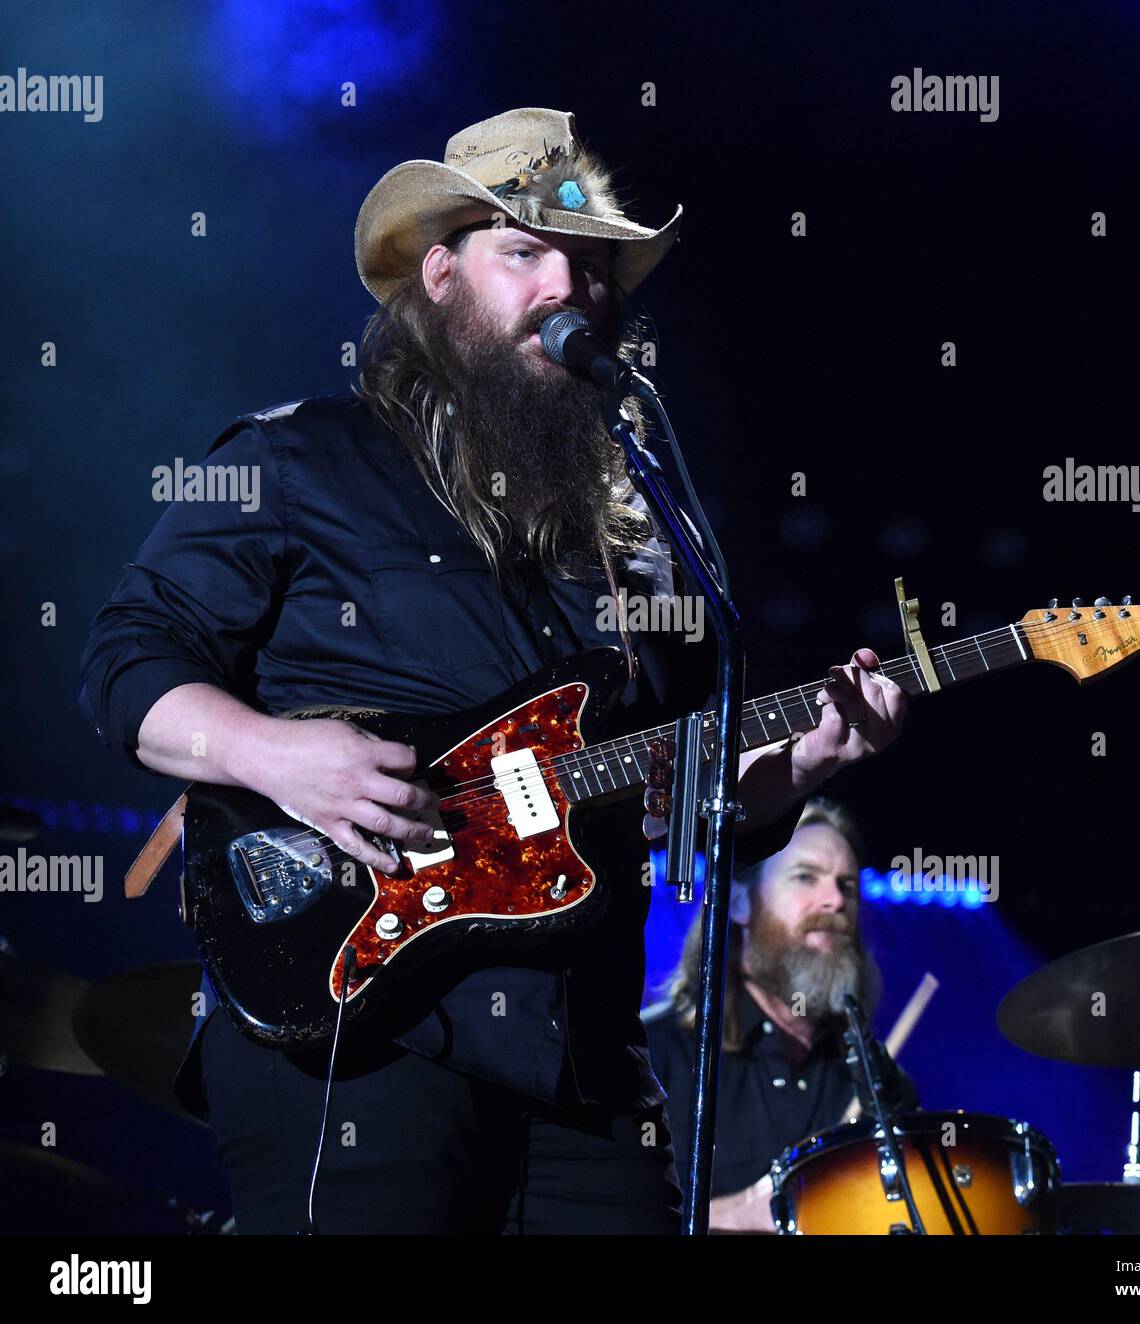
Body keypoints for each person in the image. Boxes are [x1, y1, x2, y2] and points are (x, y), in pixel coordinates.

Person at [77, 107, 906, 1234]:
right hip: (359, 1024)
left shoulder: (639, 530)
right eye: (525, 251)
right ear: (438, 275)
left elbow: (668, 796)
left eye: (592, 264)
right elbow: (127, 660)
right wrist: (274, 752)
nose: (568, 285)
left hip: (583, 1056)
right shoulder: (301, 457)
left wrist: (800, 765)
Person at [644, 797, 918, 1233]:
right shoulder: (652, 1057)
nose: (834, 900)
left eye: (846, 885)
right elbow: (590, 1215)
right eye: (806, 877)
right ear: (738, 904)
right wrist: (730, 1215)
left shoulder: (877, 1084)